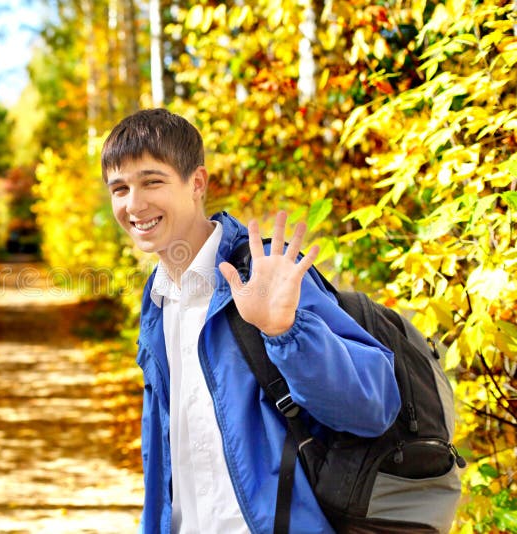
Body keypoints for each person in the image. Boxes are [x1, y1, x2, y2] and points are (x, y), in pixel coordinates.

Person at [100, 108, 401, 534]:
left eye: (152, 181)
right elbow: (162, 456)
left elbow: (374, 406)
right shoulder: (157, 300)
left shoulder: (265, 273)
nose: (134, 204)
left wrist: (287, 333)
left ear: (196, 183)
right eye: (120, 188)